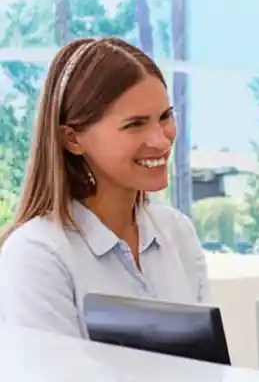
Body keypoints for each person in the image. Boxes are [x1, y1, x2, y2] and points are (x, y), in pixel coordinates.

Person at [0, 37, 209, 338]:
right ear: (72, 138)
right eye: (135, 124)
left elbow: (211, 370)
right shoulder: (37, 254)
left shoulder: (177, 232)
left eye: (165, 117)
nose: (162, 141)